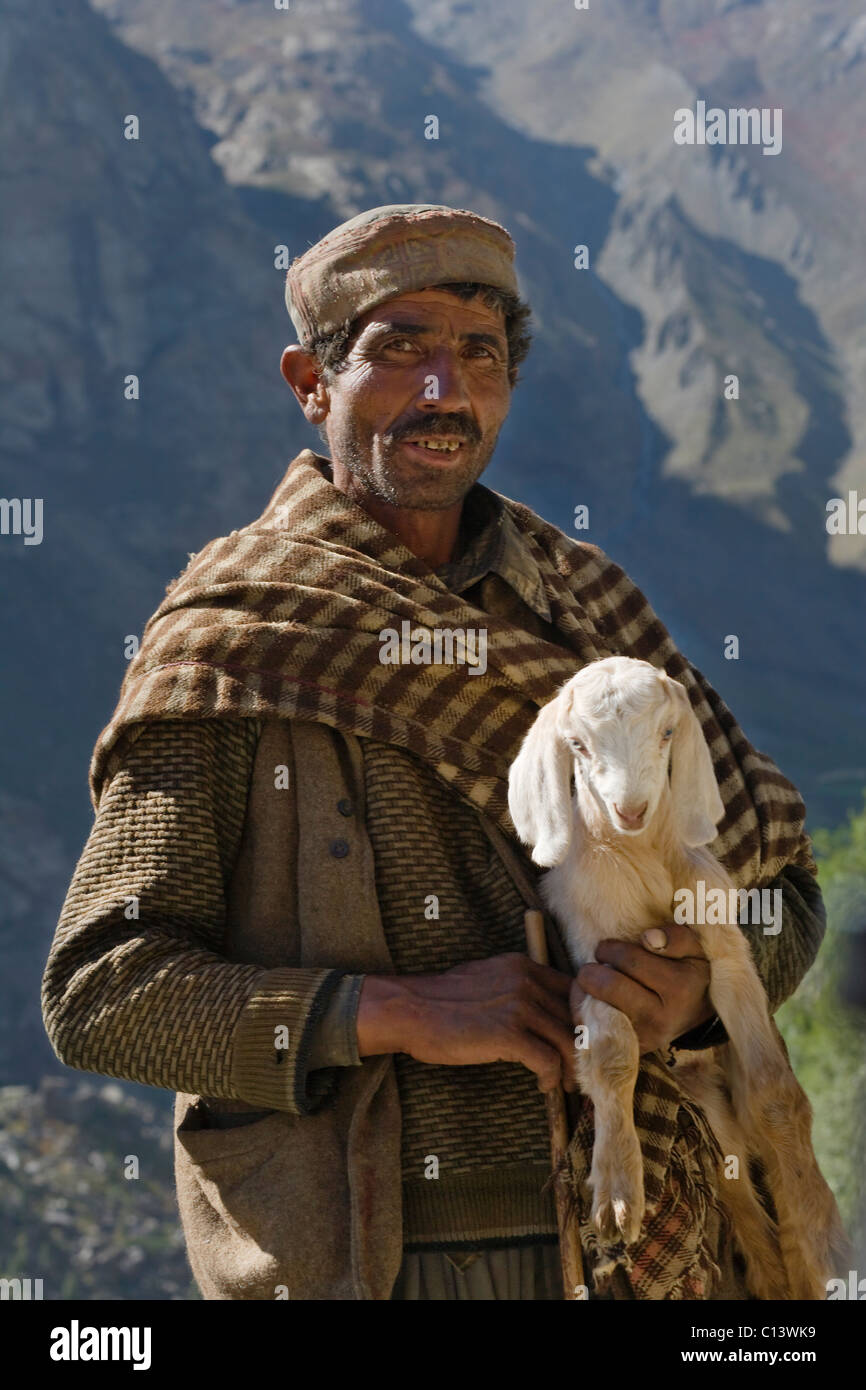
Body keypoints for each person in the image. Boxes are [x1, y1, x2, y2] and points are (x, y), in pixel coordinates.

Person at [42, 203, 826, 1300]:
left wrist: (689, 997)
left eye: (477, 355)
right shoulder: (234, 639)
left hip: (654, 1249)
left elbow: (782, 887)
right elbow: (101, 990)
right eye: (396, 347)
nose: (441, 391)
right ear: (310, 384)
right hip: (371, 1266)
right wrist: (400, 1011)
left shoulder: (590, 613)